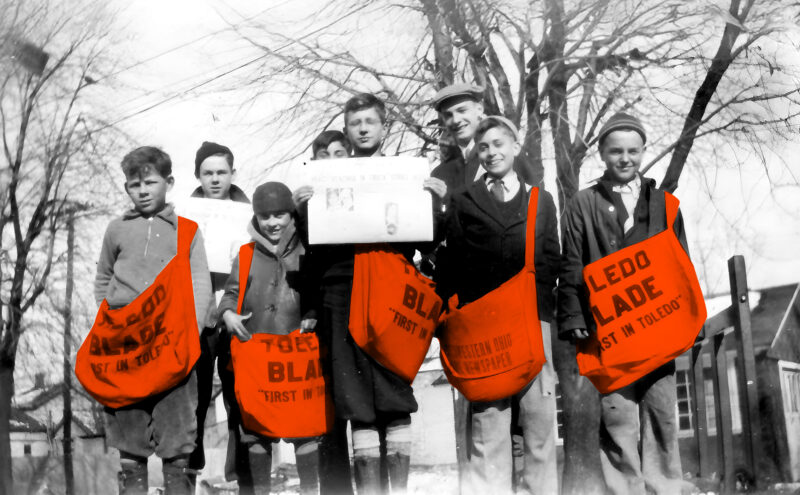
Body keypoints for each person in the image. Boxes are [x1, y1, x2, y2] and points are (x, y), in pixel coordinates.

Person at [297, 93, 447, 494]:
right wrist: (304, 208)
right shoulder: (328, 178)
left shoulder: (406, 174)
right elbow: (312, 246)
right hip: (342, 291)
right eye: (355, 123)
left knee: (393, 389)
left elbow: (426, 239)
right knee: (356, 395)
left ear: (384, 127)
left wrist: (433, 201)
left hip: (391, 288)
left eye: (370, 122)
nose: (363, 128)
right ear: (346, 131)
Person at [557, 112, 689, 494]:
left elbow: (681, 264)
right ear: (602, 153)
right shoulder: (583, 203)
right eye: (616, 151)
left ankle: (666, 486)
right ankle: (624, 489)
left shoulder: (665, 204)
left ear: (643, 151)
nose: (625, 159)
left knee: (662, 413)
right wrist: (573, 314)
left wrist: (687, 320)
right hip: (609, 330)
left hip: (658, 327)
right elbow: (572, 262)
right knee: (618, 417)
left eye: (633, 151)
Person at [438, 116, 560, 494]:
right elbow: (451, 265)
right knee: (489, 426)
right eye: (484, 147)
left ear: (515, 146)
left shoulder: (540, 200)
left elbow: (551, 259)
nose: (491, 153)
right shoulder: (463, 200)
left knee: (539, 424)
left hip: (530, 323)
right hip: (485, 327)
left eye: (498, 144)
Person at [93, 146, 214, 494]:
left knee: (176, 432)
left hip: (172, 344)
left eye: (150, 182)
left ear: (169, 182)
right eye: (134, 184)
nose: (142, 190)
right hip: (126, 348)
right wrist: (108, 324)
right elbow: (103, 279)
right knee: (130, 434)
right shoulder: (116, 230)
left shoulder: (187, 231)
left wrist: (189, 331)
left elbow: (199, 281)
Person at [217, 181, 320, 495]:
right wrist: (228, 314)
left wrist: (312, 312)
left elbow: (318, 289)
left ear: (291, 215)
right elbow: (230, 294)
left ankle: (310, 489)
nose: (273, 223)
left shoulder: (308, 247)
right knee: (256, 431)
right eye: (265, 216)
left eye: (280, 215)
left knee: (305, 429)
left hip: (298, 357)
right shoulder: (246, 254)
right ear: (256, 218)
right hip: (258, 359)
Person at [187, 140, 253, 488]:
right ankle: (191, 465)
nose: (215, 179)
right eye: (207, 173)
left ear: (233, 174)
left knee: (236, 394)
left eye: (221, 172)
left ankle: (240, 473)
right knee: (195, 394)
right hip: (197, 313)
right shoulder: (184, 214)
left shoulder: (248, 212)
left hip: (235, 311)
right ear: (197, 176)